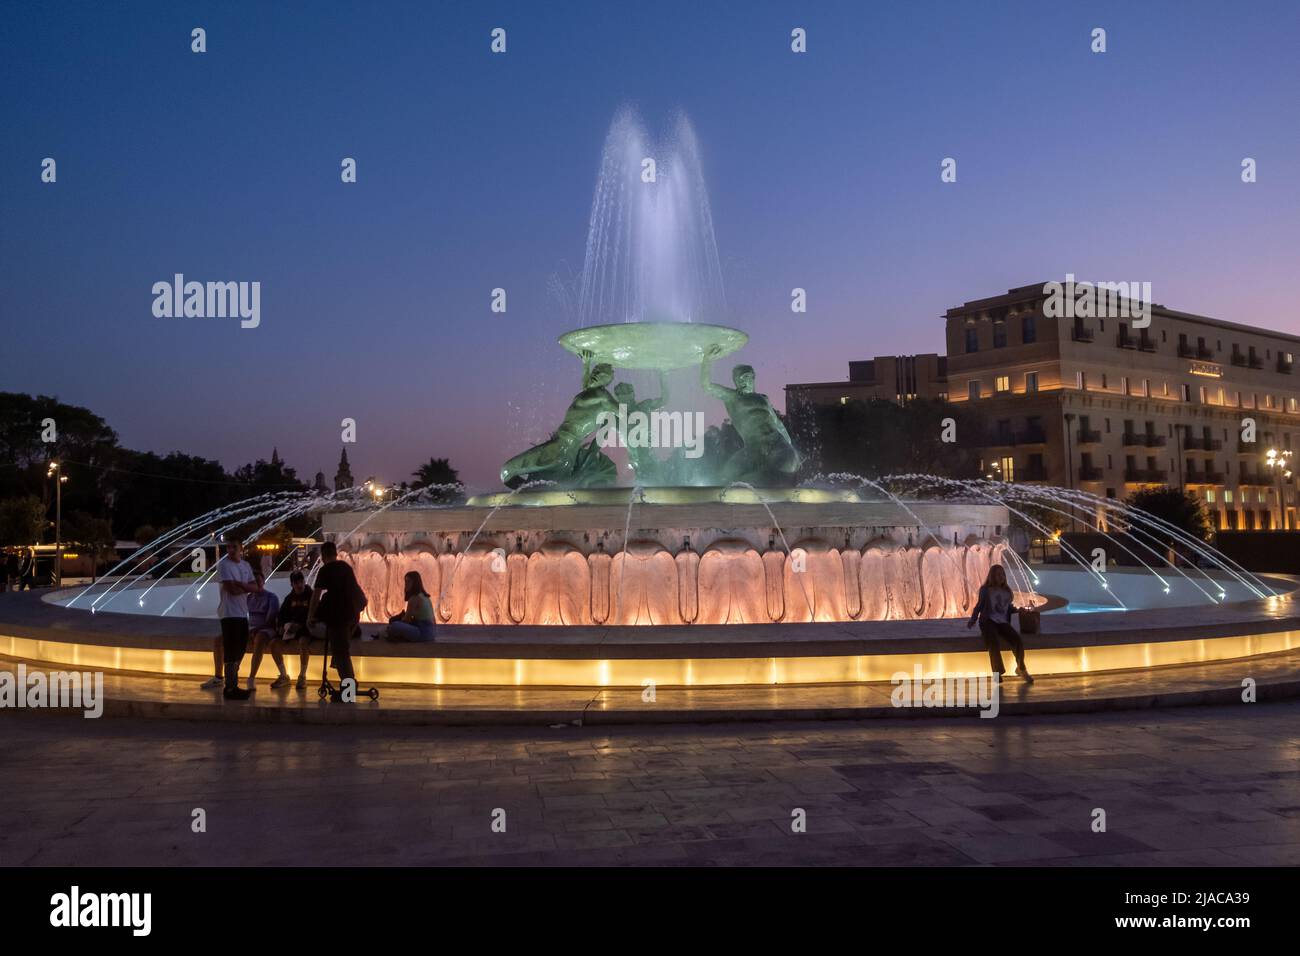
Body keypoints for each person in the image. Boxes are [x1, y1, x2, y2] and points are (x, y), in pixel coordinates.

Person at [307, 541, 363, 700]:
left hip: (337, 617)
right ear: (336, 554)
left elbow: (316, 595)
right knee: (342, 652)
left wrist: (310, 616)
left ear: (323, 556)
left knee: (341, 654)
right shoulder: (346, 567)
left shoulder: (325, 570)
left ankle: (348, 692)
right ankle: (350, 687)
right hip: (350, 616)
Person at [966, 563, 1033, 683]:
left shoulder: (1006, 591)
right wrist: (973, 619)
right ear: (992, 576)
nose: (1001, 577)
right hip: (988, 621)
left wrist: (1019, 610)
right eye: (998, 575)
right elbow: (979, 606)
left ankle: (1021, 668)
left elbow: (1008, 608)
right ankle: (997, 673)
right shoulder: (985, 590)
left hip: (1002, 622)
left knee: (1017, 639)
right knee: (993, 642)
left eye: (1002, 574)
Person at [216, 540, 258, 700]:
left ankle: (232, 682)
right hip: (228, 613)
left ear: (241, 548)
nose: (231, 550)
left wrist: (241, 584)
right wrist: (245, 587)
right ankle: (230, 687)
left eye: (234, 546)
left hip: (242, 613)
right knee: (231, 649)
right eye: (228, 547)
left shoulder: (246, 566)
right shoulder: (224, 565)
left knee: (240, 648)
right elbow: (231, 590)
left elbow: (255, 587)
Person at [271, 569, 317, 689]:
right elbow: (281, 615)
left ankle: (302, 676)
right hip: (291, 630)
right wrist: (282, 626)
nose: (299, 585)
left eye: (301, 581)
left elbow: (316, 614)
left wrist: (301, 625)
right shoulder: (289, 598)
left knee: (303, 642)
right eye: (296, 583)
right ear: (291, 584)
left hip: (305, 629)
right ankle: (283, 675)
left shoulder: (311, 596)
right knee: (274, 644)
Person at [244, 568, 283, 690]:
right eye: (254, 582)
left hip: (267, 630)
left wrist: (254, 630)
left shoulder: (271, 598)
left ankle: (251, 678)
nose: (256, 584)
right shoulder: (248, 598)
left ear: (263, 582)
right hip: (253, 630)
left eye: (258, 581)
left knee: (260, 638)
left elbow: (270, 621)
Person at [384, 571, 436, 642]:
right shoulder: (425, 597)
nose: (406, 584)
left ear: (415, 583)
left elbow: (406, 620)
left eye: (409, 582)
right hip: (431, 633)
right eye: (405, 582)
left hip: (422, 633)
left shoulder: (414, 598)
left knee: (394, 625)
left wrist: (398, 620)